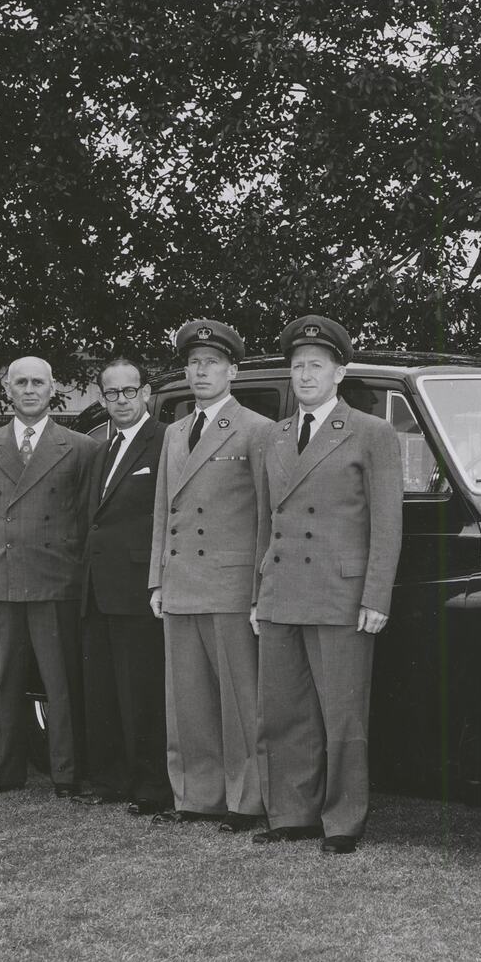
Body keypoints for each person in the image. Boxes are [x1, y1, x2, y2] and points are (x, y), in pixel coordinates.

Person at [251, 316, 402, 854]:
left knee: (342, 718)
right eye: (297, 367)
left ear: (340, 372)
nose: (305, 375)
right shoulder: (275, 435)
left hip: (341, 595)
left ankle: (342, 820)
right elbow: (266, 523)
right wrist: (257, 594)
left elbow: (387, 524)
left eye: (316, 365)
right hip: (282, 590)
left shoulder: (372, 432)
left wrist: (376, 597)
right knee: (283, 712)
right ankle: (292, 813)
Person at [148, 320, 272, 828]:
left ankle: (246, 801)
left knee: (240, 703)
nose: (201, 371)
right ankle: (196, 797)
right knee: (188, 703)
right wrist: (158, 578)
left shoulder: (257, 429)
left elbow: (268, 516)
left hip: (229, 584)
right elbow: (163, 509)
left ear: (233, 371)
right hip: (180, 583)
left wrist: (259, 590)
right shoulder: (176, 430)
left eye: (212, 363)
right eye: (194, 362)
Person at [0, 356, 101, 798]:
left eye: (37, 382)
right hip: (0, 575)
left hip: (54, 576)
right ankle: (2, 772)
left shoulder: (80, 446)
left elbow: (83, 520)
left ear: (52, 388)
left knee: (59, 679)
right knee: (4, 678)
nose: (28, 389)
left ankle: (66, 772)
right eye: (20, 382)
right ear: (7, 389)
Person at [75, 357, 172, 816]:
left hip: (138, 588)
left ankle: (151, 787)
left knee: (143, 692)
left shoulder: (166, 440)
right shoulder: (103, 448)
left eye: (129, 392)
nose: (121, 401)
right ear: (101, 397)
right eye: (111, 393)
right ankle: (111, 779)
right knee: (104, 691)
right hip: (96, 588)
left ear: (146, 392)